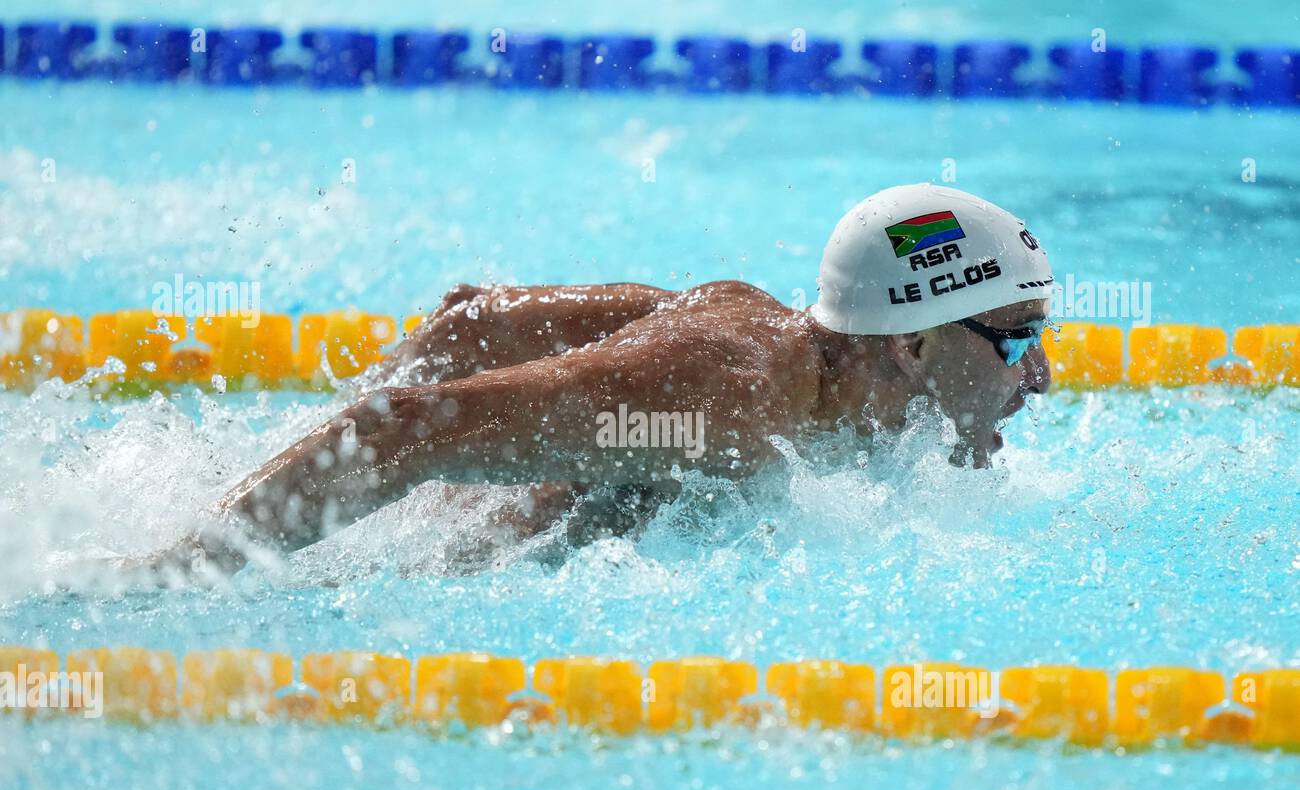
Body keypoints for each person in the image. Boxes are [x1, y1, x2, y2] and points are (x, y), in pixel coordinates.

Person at [143, 183, 1054, 578]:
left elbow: (473, 318)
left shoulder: (780, 348)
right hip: (425, 573)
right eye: (1018, 341)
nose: (1042, 378)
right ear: (915, 348)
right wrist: (182, 569)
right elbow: (409, 426)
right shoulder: (725, 399)